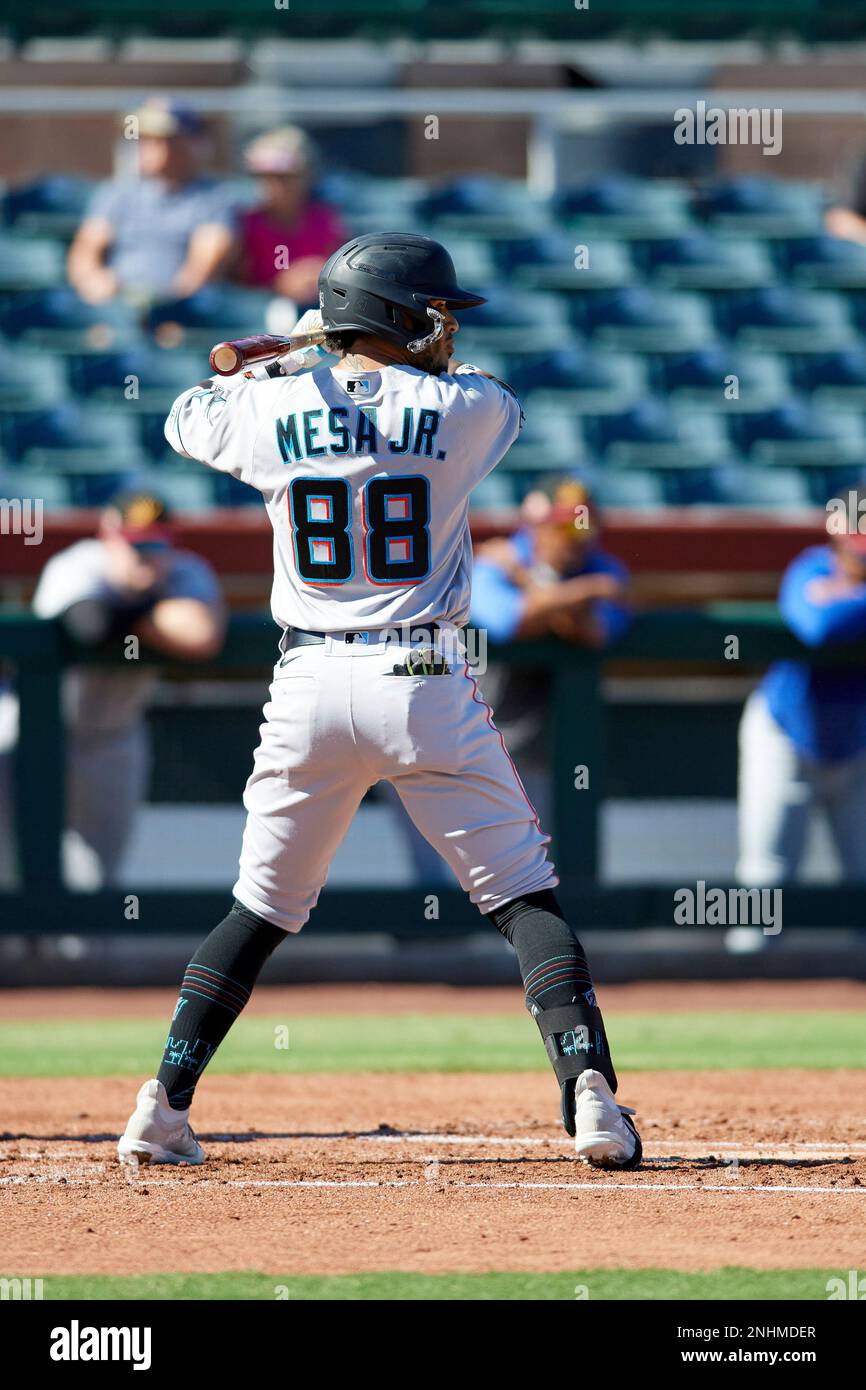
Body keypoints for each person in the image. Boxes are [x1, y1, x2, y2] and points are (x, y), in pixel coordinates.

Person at [117, 233, 642, 1173]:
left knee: (261, 908)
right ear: (400, 316)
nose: (446, 329)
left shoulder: (272, 406)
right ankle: (591, 1095)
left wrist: (289, 349)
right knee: (522, 895)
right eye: (432, 313)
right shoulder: (468, 408)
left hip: (308, 681)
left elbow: (185, 414)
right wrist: (344, 349)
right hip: (422, 679)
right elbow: (484, 390)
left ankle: (161, 1106)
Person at [31, 490, 226, 887]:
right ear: (109, 535)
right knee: (16, 869)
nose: (145, 555)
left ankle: (77, 949)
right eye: (135, 544)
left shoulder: (184, 570)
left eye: (155, 544)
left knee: (98, 879)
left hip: (113, 739)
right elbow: (90, 625)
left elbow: (202, 635)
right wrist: (154, 613)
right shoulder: (79, 563)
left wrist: (134, 613)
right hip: (32, 735)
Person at [470, 478, 631, 821]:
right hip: (484, 746)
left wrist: (534, 583)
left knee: (556, 862)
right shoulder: (499, 560)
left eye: (582, 527)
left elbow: (593, 633)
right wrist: (583, 592)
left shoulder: (603, 569)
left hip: (566, 750)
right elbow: (507, 622)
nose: (573, 540)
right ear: (536, 527)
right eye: (562, 528)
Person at [737, 489, 866, 887]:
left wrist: (851, 600)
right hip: (786, 735)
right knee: (766, 881)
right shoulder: (811, 568)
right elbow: (818, 626)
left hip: (857, 747)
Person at [67, 98, 236, 305]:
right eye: (144, 138)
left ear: (188, 143)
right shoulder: (116, 192)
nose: (147, 146)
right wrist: (94, 284)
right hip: (117, 305)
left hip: (179, 310)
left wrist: (163, 308)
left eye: (161, 138)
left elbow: (199, 272)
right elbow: (85, 253)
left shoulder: (215, 197)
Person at [236, 125, 347, 304]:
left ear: (307, 175)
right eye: (264, 176)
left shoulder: (326, 221)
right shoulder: (244, 225)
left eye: (285, 176)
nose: (274, 185)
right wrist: (280, 285)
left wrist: (317, 273)